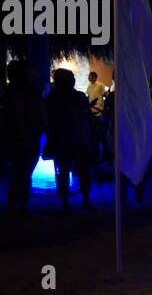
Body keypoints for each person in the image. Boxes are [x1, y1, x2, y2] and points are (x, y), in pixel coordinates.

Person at [43, 69, 95, 212]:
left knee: (65, 172)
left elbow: (49, 121)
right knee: (79, 171)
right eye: (71, 78)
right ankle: (82, 201)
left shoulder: (54, 98)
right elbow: (87, 119)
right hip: (74, 140)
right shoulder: (74, 97)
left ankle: (69, 202)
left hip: (67, 140)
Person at [2, 60, 46, 218]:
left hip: (18, 137)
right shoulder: (26, 92)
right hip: (24, 137)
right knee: (23, 173)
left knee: (18, 174)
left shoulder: (10, 92)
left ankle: (15, 206)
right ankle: (20, 207)